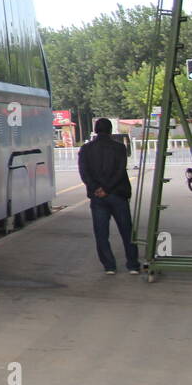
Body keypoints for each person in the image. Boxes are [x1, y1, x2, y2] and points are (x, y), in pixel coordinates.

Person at [77, 117, 141, 275]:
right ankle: (132, 264)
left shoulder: (86, 149)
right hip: (118, 194)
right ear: (111, 130)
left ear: (96, 130)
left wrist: (96, 188)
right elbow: (120, 171)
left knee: (101, 233)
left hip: (98, 197)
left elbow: (84, 172)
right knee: (126, 231)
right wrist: (107, 188)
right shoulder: (119, 148)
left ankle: (109, 266)